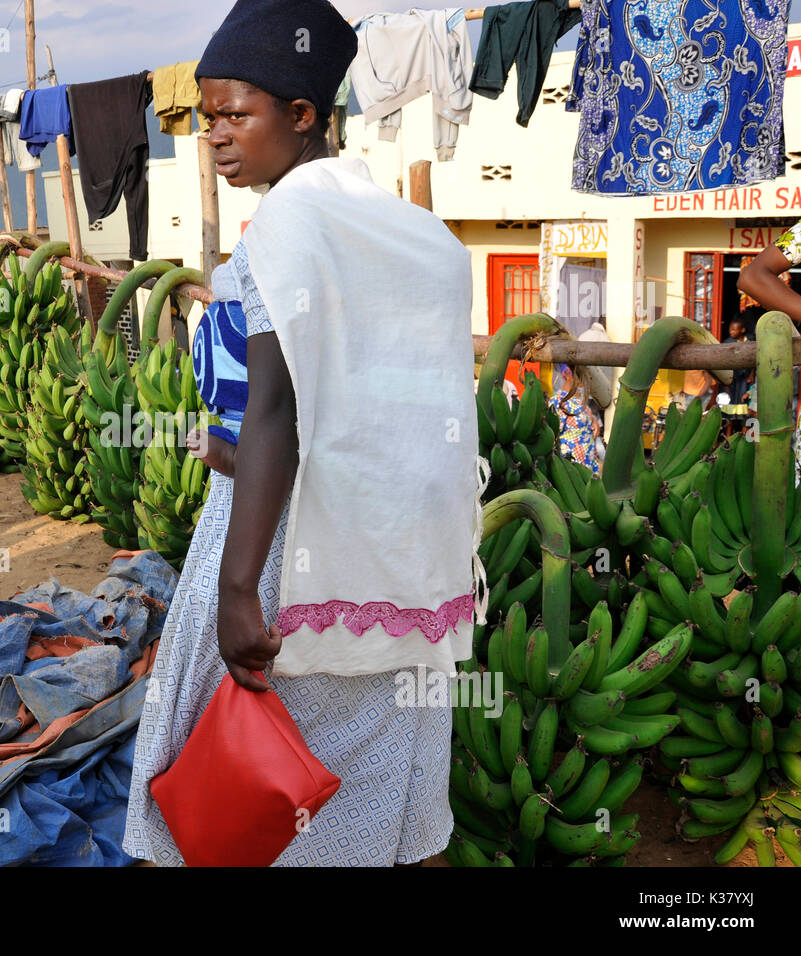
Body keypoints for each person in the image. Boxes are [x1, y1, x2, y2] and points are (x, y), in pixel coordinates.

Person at [124, 0, 478, 867]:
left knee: (252, 775)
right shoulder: (410, 233)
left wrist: (241, 589)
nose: (214, 135)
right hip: (393, 554)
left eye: (235, 114)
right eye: (207, 117)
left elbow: (279, 407)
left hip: (280, 539)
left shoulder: (287, 222)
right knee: (366, 764)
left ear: (303, 114)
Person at [551, 363, 602, 476]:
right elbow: (553, 435)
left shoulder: (578, 399)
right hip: (572, 467)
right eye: (580, 375)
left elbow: (583, 418)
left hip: (588, 461)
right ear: (568, 375)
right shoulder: (559, 401)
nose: (585, 379)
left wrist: (593, 421)